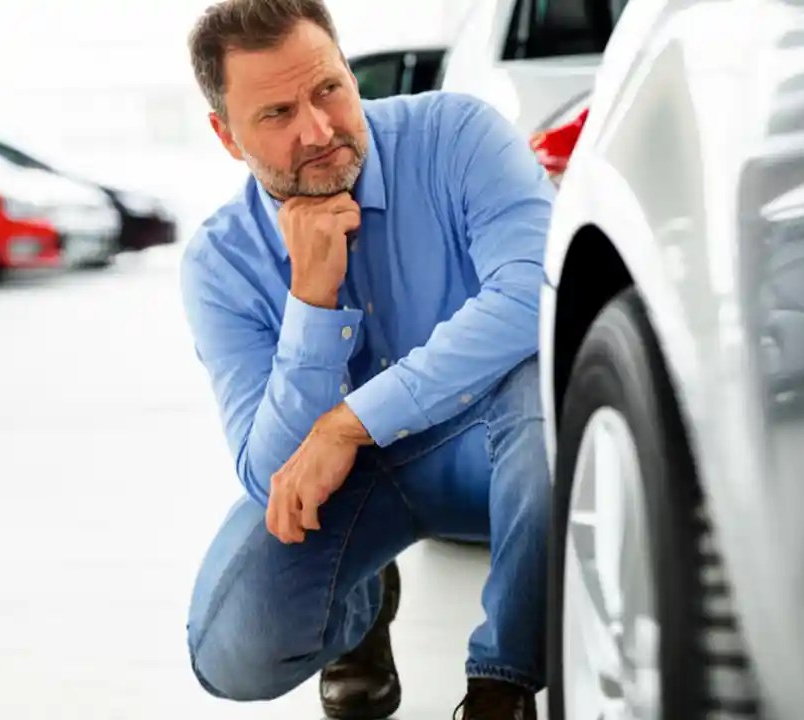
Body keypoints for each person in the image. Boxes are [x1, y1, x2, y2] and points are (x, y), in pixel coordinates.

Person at [179, 1, 553, 718]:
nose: (318, 132)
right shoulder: (220, 263)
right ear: (226, 136)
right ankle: (361, 609)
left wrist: (350, 422)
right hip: (357, 490)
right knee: (231, 648)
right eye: (277, 114)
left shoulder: (457, 136)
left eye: (328, 89)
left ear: (349, 70)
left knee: (538, 383)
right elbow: (269, 477)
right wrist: (311, 301)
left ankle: (503, 682)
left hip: (501, 452)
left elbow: (531, 292)